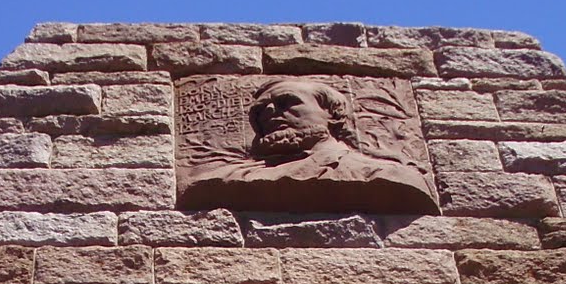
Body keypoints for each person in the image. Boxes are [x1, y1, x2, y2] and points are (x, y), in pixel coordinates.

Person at [178, 76, 439, 214]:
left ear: (333, 113)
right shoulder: (227, 179)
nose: (269, 114)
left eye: (286, 103)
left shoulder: (387, 175)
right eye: (259, 112)